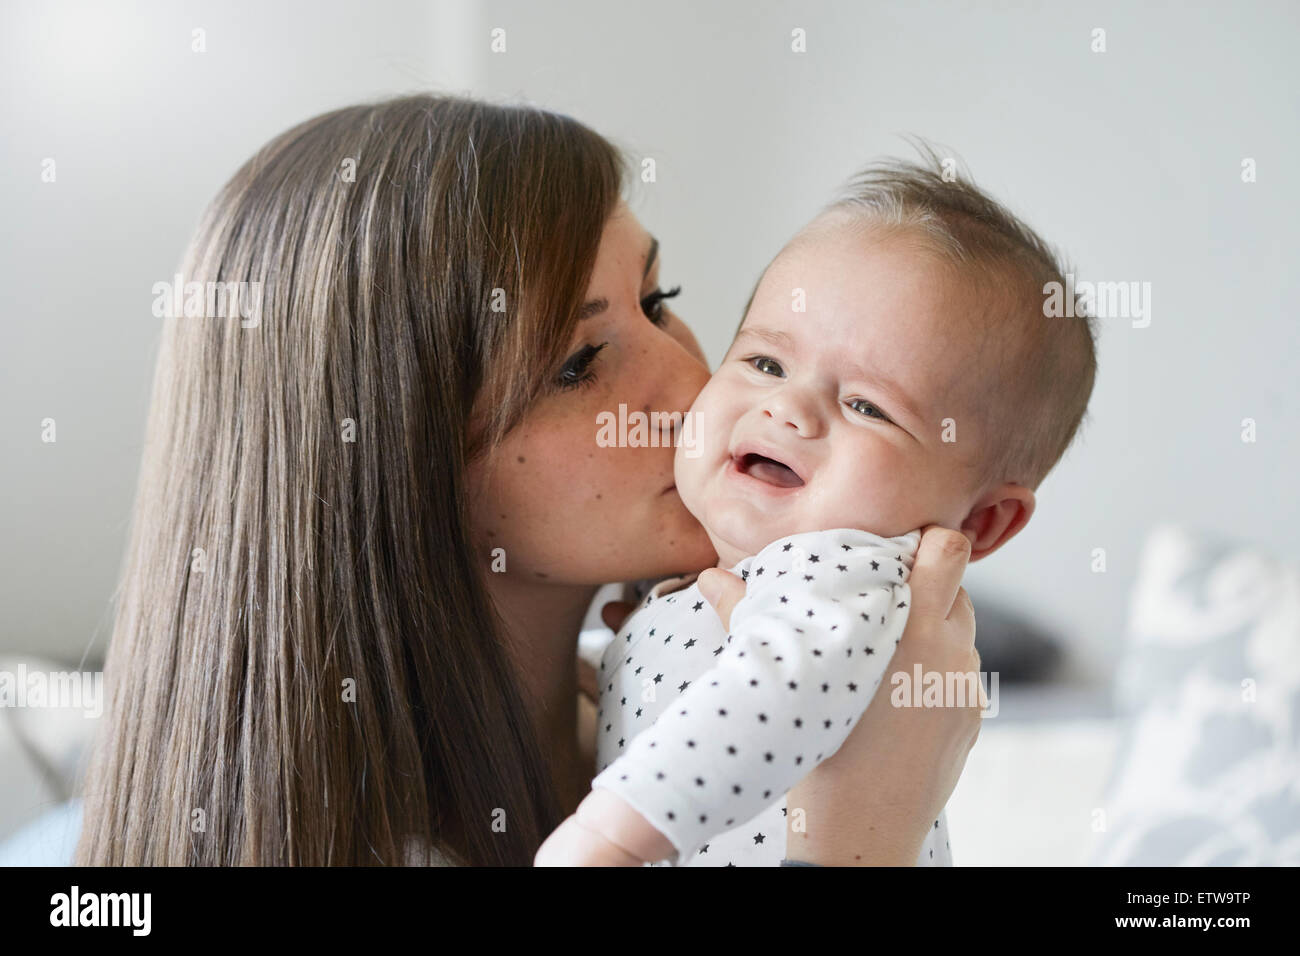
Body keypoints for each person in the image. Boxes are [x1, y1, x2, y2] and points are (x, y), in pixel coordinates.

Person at [76, 94, 981, 867]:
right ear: (398, 465)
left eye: (658, 302)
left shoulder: (691, 708)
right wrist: (861, 831)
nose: (694, 386)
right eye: (580, 363)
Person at [537, 153, 1097, 866]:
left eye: (868, 406)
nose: (789, 408)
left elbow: (779, 693)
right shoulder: (737, 580)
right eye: (766, 364)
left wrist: (612, 833)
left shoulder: (847, 570)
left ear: (981, 521)